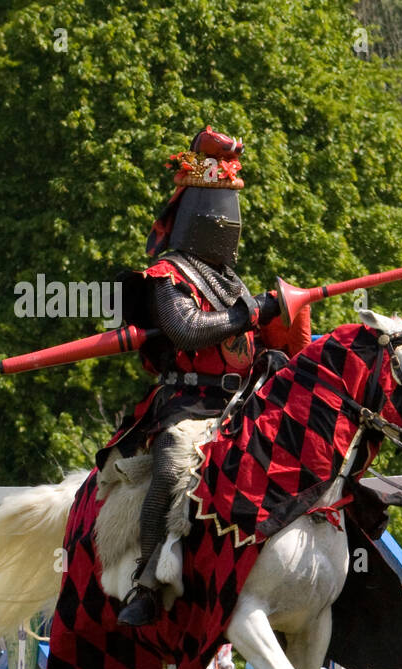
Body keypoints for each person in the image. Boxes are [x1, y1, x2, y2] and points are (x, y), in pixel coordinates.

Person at [109, 126, 309, 627]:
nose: (229, 227)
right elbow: (188, 331)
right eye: (221, 216)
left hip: (242, 401)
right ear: (200, 218)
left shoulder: (232, 283)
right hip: (187, 405)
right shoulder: (167, 277)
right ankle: (148, 579)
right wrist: (255, 312)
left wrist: (278, 338)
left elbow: (249, 346)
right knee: (175, 466)